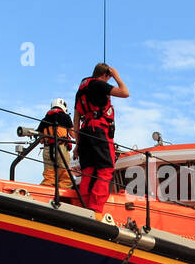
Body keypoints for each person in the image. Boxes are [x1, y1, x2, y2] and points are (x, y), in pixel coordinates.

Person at [74, 62, 128, 216]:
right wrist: (117, 76)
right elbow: (125, 92)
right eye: (109, 78)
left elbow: (76, 119)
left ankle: (82, 207)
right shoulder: (99, 84)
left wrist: (77, 144)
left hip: (84, 133)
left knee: (88, 172)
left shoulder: (81, 90)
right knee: (105, 170)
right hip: (99, 131)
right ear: (105, 75)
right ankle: (95, 209)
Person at [36, 98, 75, 190]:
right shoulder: (65, 117)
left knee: (49, 176)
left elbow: (41, 140)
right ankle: (61, 195)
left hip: (46, 150)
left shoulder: (44, 120)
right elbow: (73, 135)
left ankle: (46, 192)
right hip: (60, 148)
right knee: (66, 175)